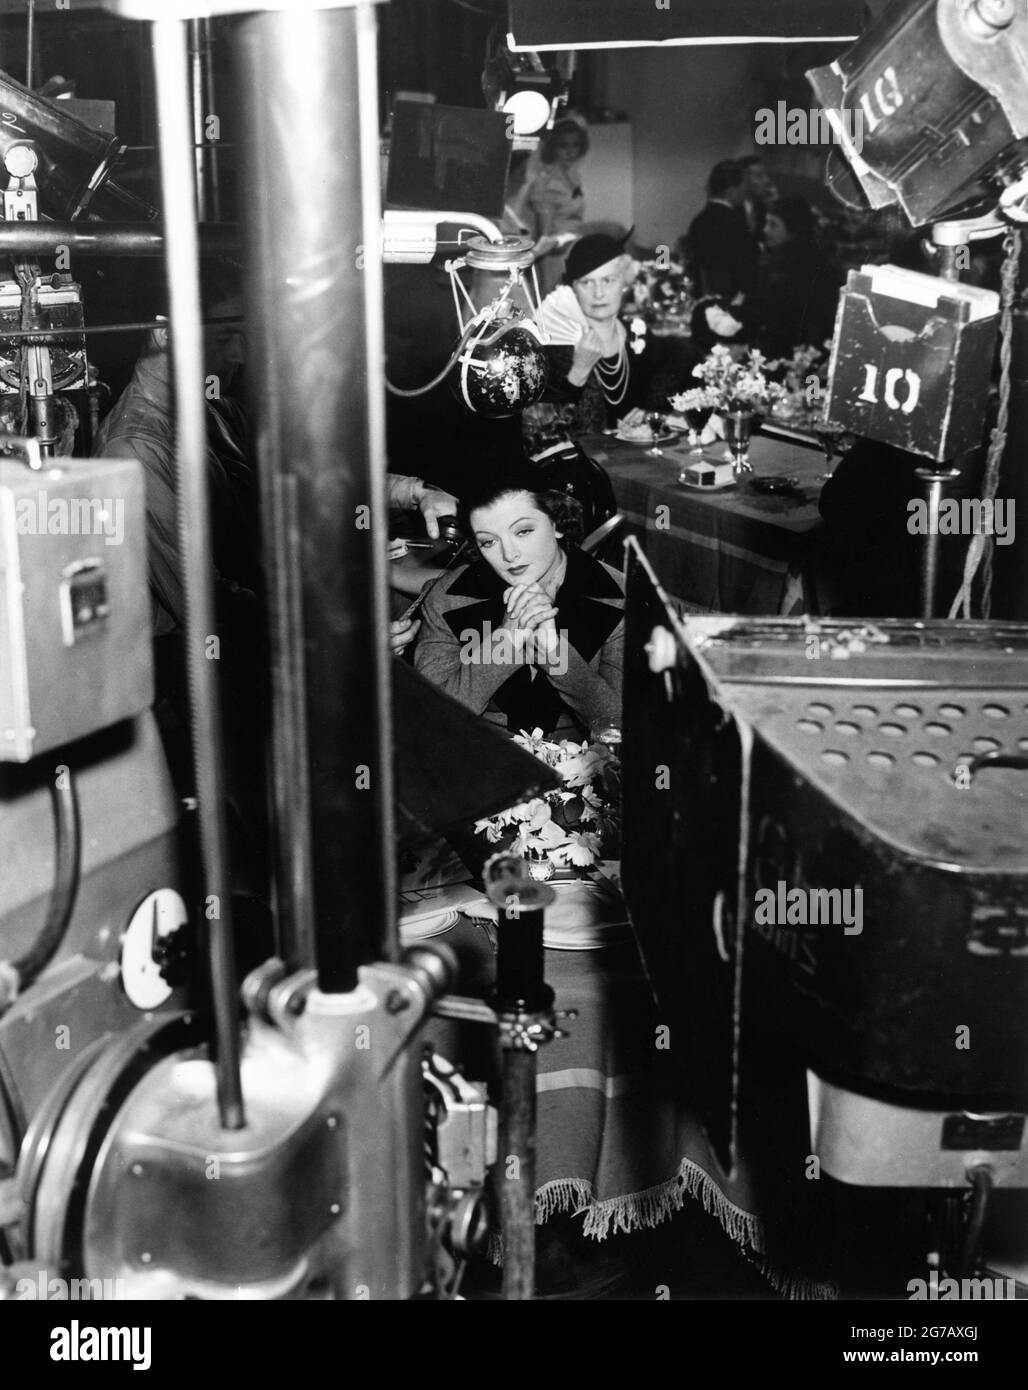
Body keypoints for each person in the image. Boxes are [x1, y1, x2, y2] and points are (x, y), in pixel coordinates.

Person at [414, 460, 623, 742]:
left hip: (587, 762)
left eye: (523, 531)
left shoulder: (620, 597)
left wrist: (556, 655)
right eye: (489, 541)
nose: (509, 554)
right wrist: (504, 642)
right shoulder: (447, 597)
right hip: (482, 753)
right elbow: (432, 719)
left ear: (558, 523)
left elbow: (622, 726)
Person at [539, 231, 684, 435]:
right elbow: (546, 431)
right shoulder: (556, 349)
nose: (598, 294)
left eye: (608, 280)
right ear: (572, 288)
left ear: (624, 284)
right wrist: (579, 370)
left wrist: (650, 417)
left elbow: (666, 402)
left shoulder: (639, 337)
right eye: (587, 282)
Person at [748, 195, 843, 358]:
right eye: (766, 223)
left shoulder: (788, 269)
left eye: (773, 224)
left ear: (793, 229)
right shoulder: (813, 258)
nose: (765, 230)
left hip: (791, 357)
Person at [519, 114, 589, 295]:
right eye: (563, 146)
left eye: (575, 145)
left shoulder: (574, 176)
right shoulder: (546, 182)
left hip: (575, 250)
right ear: (552, 148)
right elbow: (545, 238)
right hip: (556, 257)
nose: (570, 152)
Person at [683, 160, 759, 301]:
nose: (746, 191)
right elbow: (750, 271)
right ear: (730, 191)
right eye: (744, 185)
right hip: (732, 302)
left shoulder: (698, 221)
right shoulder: (737, 225)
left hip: (701, 297)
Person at [738, 154, 778, 242]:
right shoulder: (732, 208)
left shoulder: (764, 209)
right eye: (760, 176)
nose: (767, 180)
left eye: (765, 175)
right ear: (744, 179)